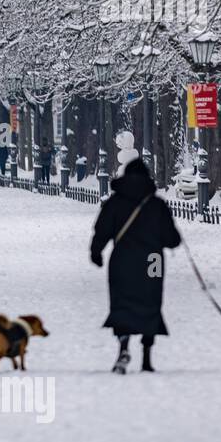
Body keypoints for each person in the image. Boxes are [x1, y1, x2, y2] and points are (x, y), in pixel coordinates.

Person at [89, 158, 181, 373]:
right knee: (151, 301)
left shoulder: (114, 202)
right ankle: (147, 358)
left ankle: (123, 347)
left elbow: (101, 231)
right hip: (153, 262)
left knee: (123, 303)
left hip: (123, 261)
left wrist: (96, 252)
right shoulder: (156, 204)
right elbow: (172, 239)